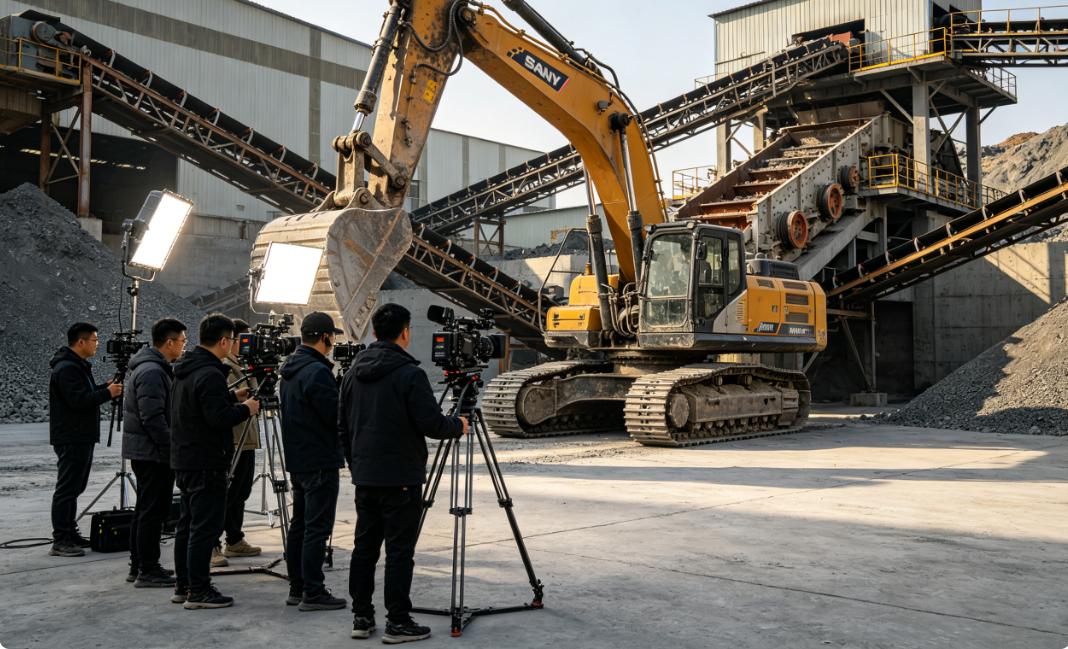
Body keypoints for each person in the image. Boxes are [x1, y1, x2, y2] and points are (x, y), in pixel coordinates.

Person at [339, 304, 468, 643]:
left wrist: (356, 465)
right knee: (399, 551)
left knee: (364, 548)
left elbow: (343, 425)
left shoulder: (353, 371)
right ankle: (397, 621)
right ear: (405, 332)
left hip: (366, 476)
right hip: (400, 479)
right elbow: (432, 424)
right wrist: (459, 425)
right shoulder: (409, 373)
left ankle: (361, 617)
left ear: (374, 332)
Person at [170, 314, 260, 609]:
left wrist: (232, 396)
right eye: (233, 340)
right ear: (223, 341)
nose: (234, 345)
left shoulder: (187, 368)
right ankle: (199, 590)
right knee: (204, 528)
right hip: (206, 460)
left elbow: (201, 406)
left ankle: (184, 585)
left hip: (185, 457)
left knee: (187, 525)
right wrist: (246, 408)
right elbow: (217, 418)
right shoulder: (210, 373)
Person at [279, 311, 346, 611]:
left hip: (299, 458)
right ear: (325, 337)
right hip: (319, 458)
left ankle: (298, 587)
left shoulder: (290, 370)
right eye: (332, 338)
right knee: (317, 528)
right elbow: (334, 416)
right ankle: (313, 591)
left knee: (300, 525)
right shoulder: (317, 372)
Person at [48, 322, 123, 558]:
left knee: (75, 487)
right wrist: (107, 393)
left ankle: (69, 532)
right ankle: (61, 539)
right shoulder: (67, 368)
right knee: (67, 489)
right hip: (71, 436)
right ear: (81, 341)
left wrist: (103, 387)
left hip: (80, 435)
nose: (97, 344)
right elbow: (78, 401)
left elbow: (84, 394)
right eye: (94, 340)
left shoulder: (76, 365)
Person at [121, 318, 187, 587]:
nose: (184, 346)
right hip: (152, 453)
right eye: (182, 341)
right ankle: (147, 569)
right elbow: (153, 418)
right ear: (169, 342)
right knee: (152, 512)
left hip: (147, 451)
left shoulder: (153, 367)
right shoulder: (152, 371)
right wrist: (173, 448)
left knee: (146, 509)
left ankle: (139, 565)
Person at [215, 318, 262, 567]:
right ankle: (212, 544)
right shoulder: (225, 367)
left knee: (241, 492)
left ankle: (234, 539)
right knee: (226, 494)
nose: (249, 344)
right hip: (234, 439)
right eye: (245, 339)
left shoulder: (241, 365)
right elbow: (221, 405)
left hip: (247, 439)